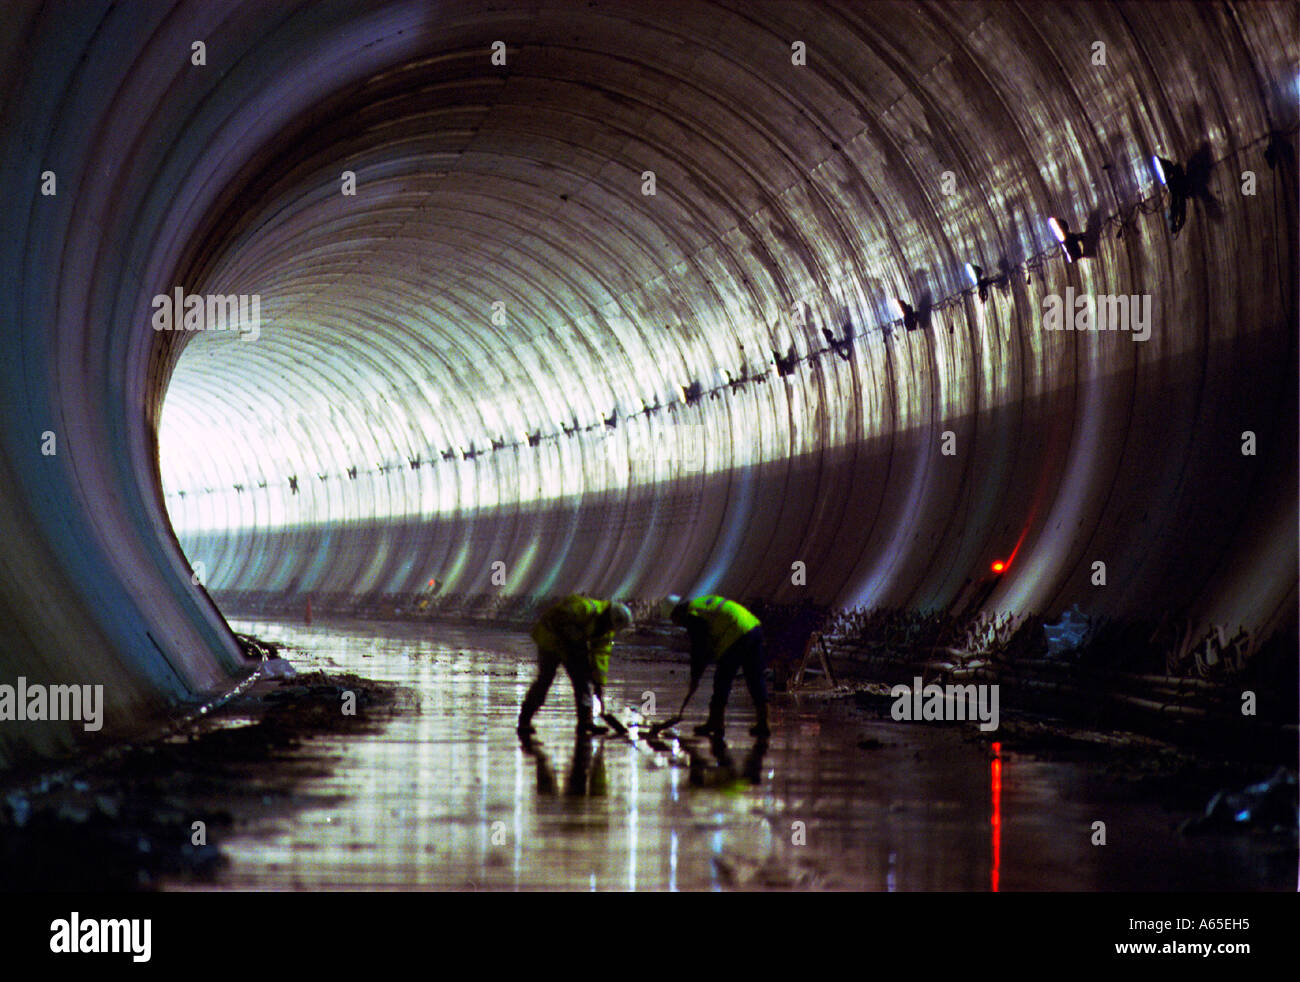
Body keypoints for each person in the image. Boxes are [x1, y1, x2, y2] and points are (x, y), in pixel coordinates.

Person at [518, 594, 633, 736]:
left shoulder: (606, 631)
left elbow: (601, 656)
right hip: (550, 641)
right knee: (545, 679)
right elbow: (557, 619)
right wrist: (575, 641)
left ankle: (586, 722)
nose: (608, 628)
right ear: (607, 616)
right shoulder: (585, 608)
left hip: (572, 648)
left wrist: (598, 682)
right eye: (608, 624)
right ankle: (525, 720)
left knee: (583, 682)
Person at [668, 595, 769, 737]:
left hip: (735, 634)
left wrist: (695, 677)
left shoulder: (693, 616)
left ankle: (716, 723)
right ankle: (763, 723)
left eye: (676, 621)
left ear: (677, 613)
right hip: (753, 627)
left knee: (722, 680)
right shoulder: (702, 604)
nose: (679, 625)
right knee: (755, 677)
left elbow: (699, 649)